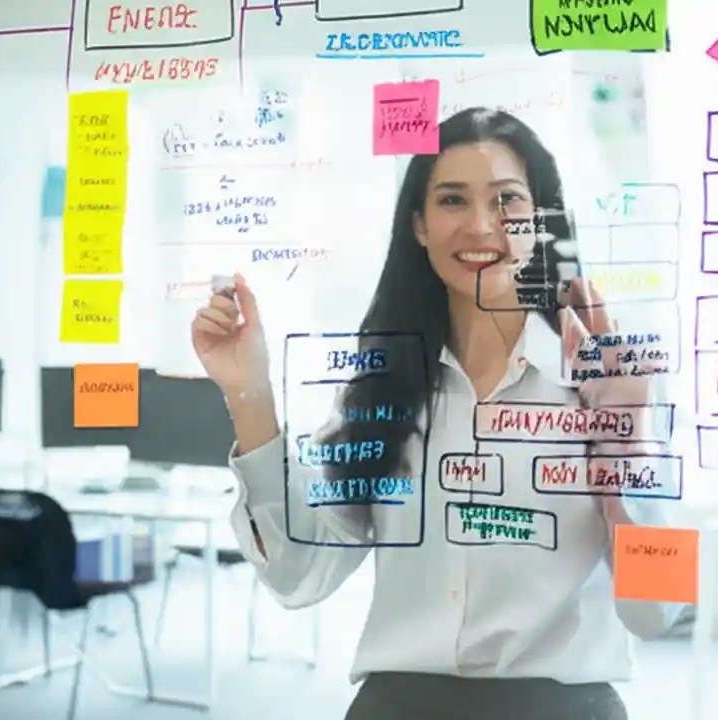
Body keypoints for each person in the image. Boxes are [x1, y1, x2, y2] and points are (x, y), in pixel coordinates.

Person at [190, 107, 680, 720]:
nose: (481, 225)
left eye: (507, 201)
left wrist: (626, 443)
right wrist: (249, 392)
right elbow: (299, 572)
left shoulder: (607, 381)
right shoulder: (382, 390)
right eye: (452, 200)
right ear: (419, 224)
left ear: (541, 221)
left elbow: (657, 609)